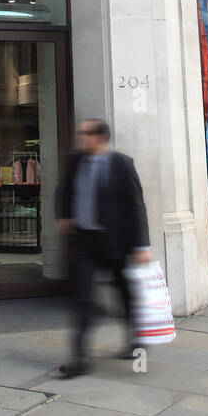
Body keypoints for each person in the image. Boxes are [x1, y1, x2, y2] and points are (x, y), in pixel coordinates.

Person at [55, 119, 151, 378]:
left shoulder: (121, 164)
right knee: (82, 298)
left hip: (116, 243)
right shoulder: (75, 161)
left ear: (99, 137)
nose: (80, 137)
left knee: (124, 295)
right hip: (85, 242)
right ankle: (79, 357)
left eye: (85, 133)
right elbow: (63, 191)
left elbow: (136, 206)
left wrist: (142, 245)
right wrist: (63, 217)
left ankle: (136, 339)